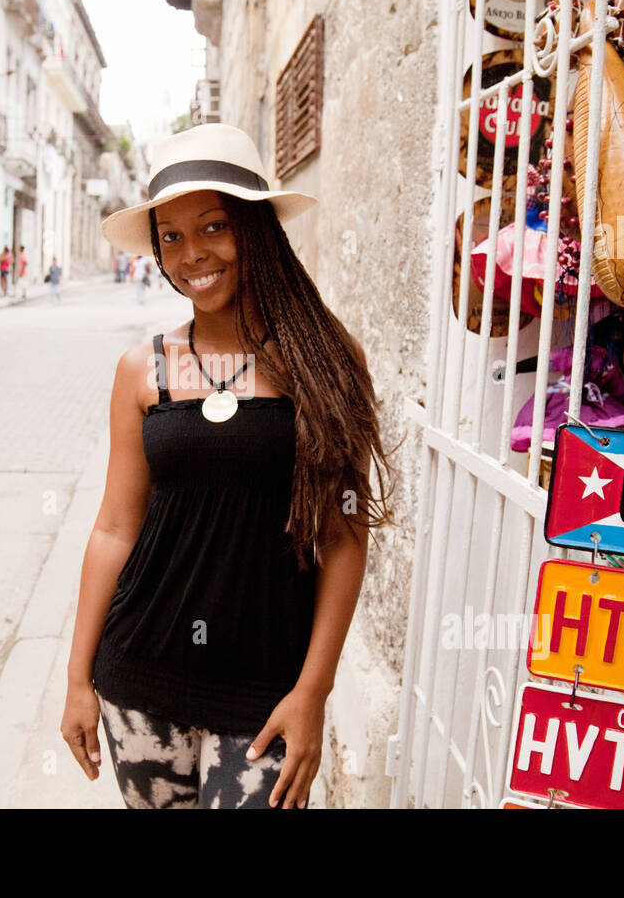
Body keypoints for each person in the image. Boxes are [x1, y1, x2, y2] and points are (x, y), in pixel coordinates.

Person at [60, 123, 395, 809]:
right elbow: (115, 529)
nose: (192, 255)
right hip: (141, 679)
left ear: (255, 229)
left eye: (212, 226)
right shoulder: (142, 370)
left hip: (268, 688)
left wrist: (314, 692)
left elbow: (343, 535)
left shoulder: (328, 363)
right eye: (171, 237)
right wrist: (76, 678)